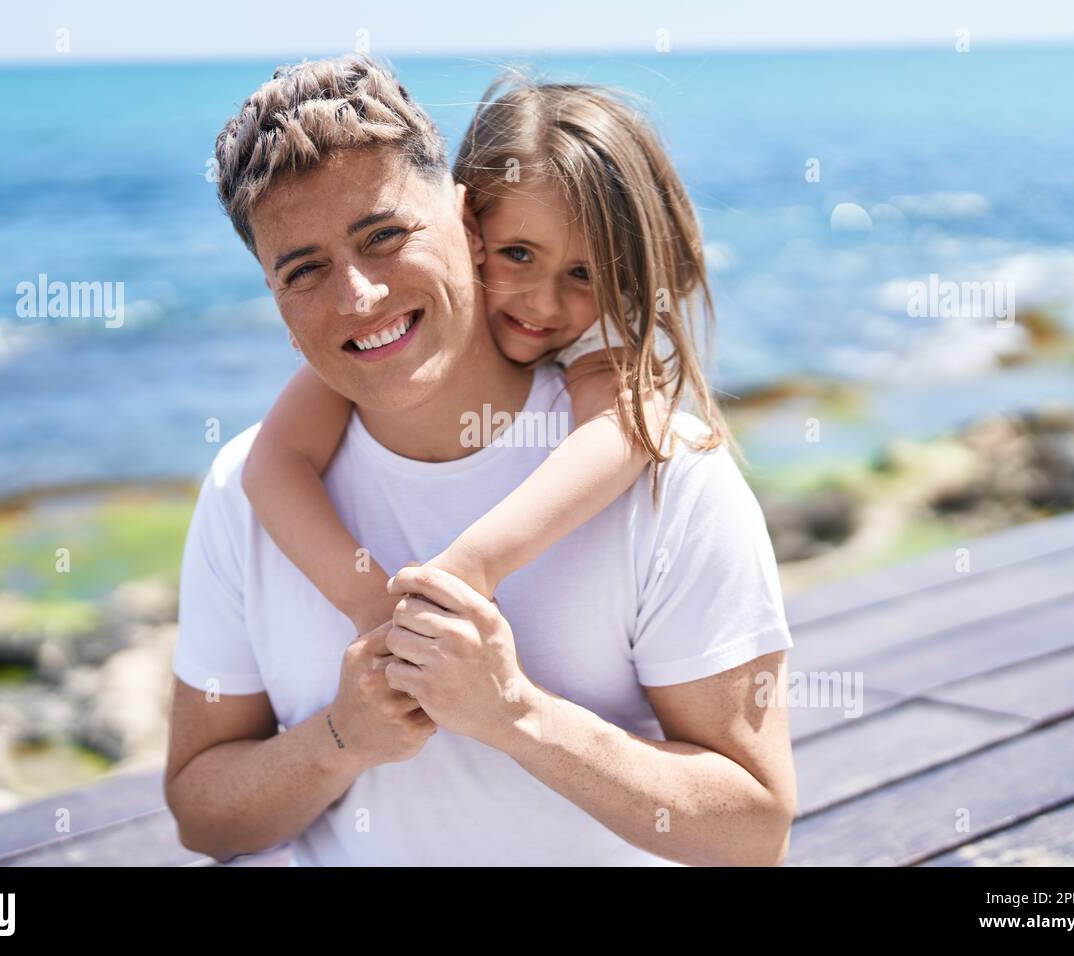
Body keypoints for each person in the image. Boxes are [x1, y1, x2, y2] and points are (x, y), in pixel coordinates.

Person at [165, 53, 797, 866]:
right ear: (276, 299)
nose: (357, 297)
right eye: (304, 270)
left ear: (466, 223)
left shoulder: (668, 473)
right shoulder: (243, 484)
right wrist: (340, 735)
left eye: (385, 235)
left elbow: (754, 832)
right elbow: (204, 822)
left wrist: (515, 714)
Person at [240, 74, 727, 633]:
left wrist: (473, 565)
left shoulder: (601, 339)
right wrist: (371, 605)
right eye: (517, 254)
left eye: (584, 274)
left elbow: (621, 436)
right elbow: (273, 465)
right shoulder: (378, 345)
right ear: (467, 228)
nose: (544, 303)